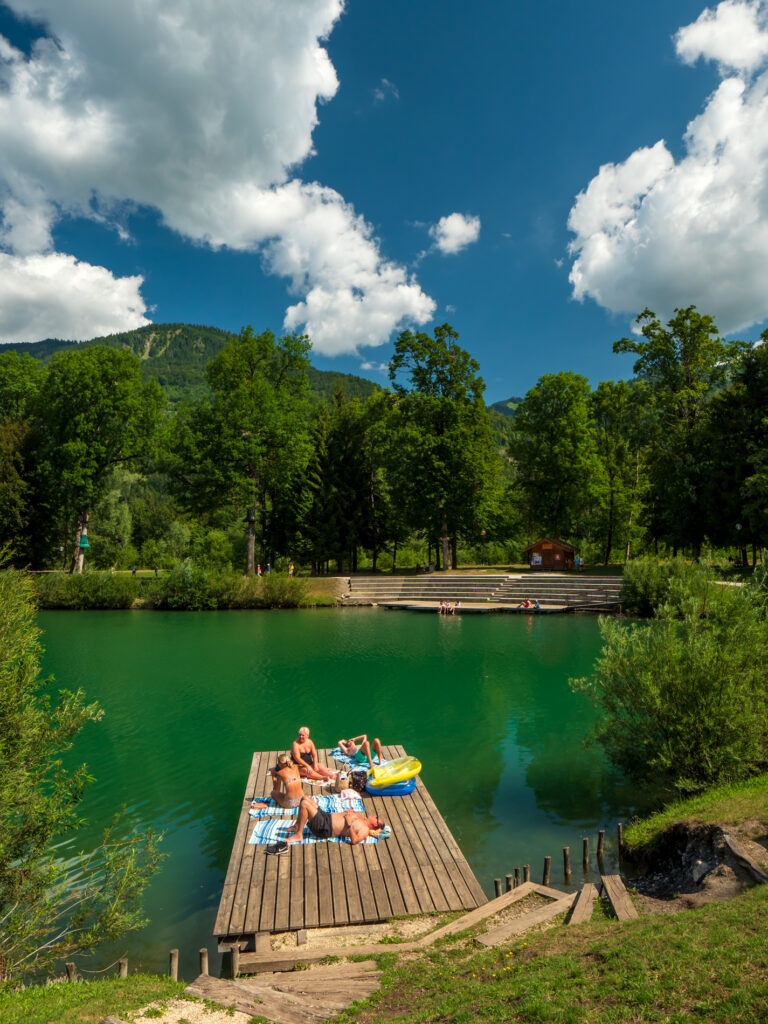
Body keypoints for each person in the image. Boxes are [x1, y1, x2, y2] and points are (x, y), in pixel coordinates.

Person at [286, 796, 384, 845]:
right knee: (305, 798)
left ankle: (299, 834)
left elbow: (354, 841)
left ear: (375, 824)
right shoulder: (361, 817)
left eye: (376, 817)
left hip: (325, 827)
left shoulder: (365, 829)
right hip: (326, 816)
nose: (374, 815)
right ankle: (298, 826)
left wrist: (349, 825)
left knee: (304, 805)